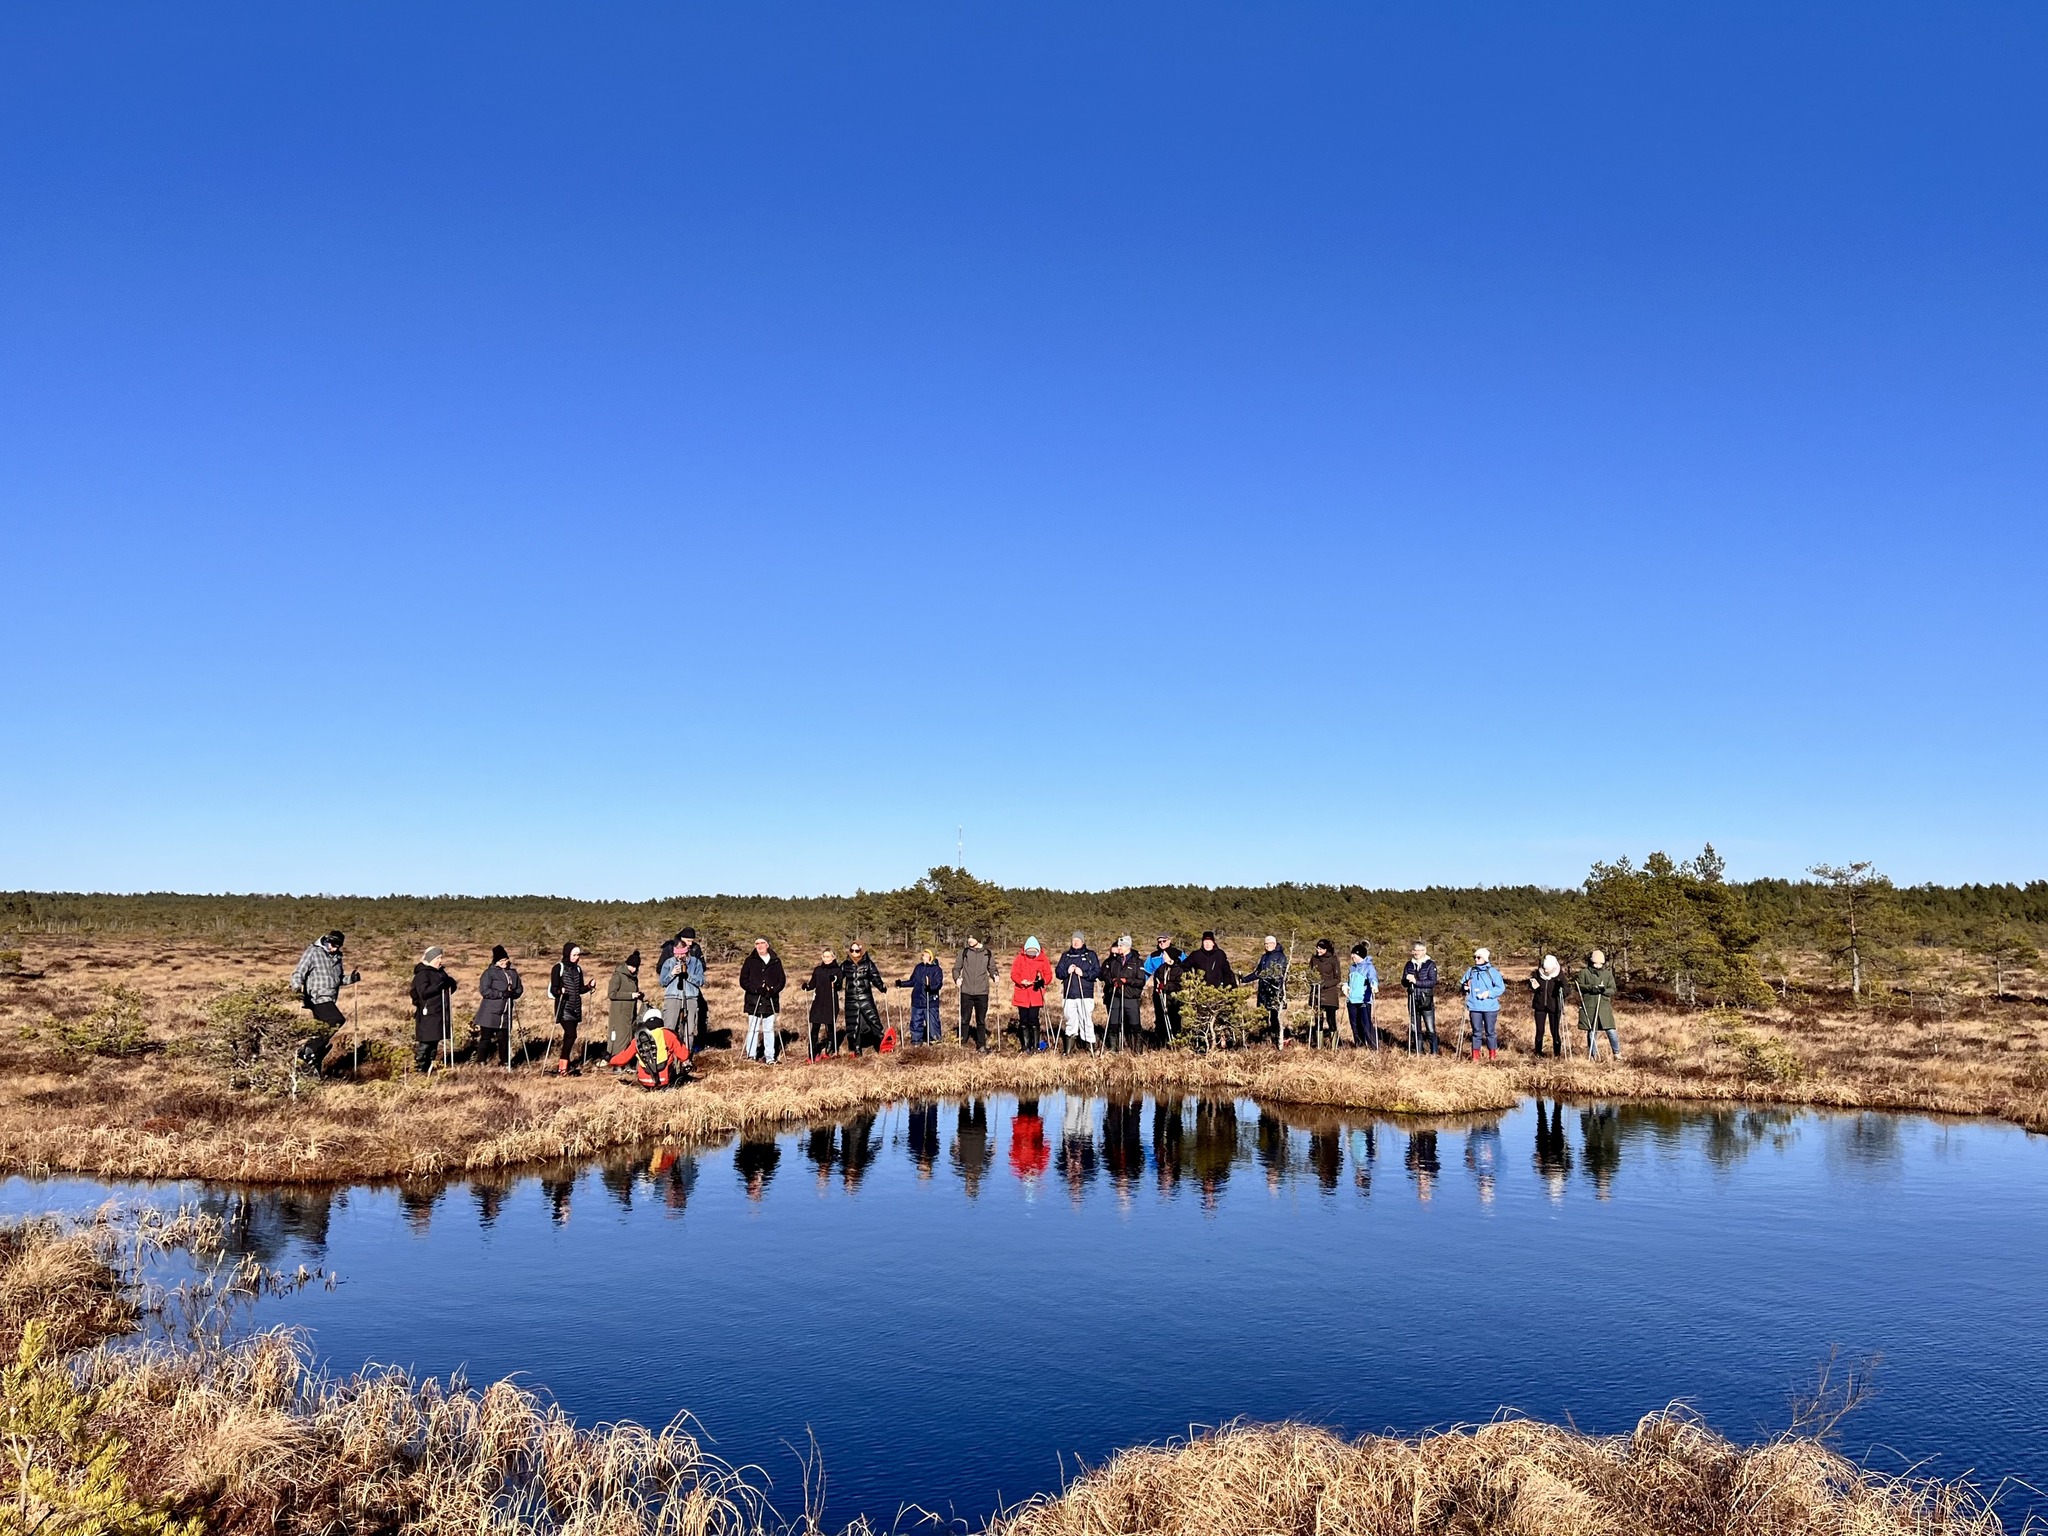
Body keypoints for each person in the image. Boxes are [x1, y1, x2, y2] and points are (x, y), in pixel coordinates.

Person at [288, 930, 360, 1076]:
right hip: (316, 997)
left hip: (330, 998)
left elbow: (337, 979)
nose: (334, 948)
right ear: (327, 940)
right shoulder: (313, 952)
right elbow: (299, 972)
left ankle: (313, 1066)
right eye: (332, 944)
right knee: (336, 1019)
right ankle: (308, 1049)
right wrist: (296, 989)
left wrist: (351, 979)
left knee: (321, 1030)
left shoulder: (337, 957)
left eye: (338, 946)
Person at [609, 1006, 690, 1090]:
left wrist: (611, 1060)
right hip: (664, 1080)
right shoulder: (668, 1034)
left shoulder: (638, 1038)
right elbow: (684, 1055)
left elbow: (623, 1058)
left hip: (644, 1081)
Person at [549, 942, 596, 1076]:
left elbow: (580, 989)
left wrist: (588, 986)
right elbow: (553, 989)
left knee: (569, 1036)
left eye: (578, 955)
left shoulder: (578, 969)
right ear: (567, 954)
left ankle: (563, 1066)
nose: (577, 957)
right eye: (574, 955)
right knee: (571, 1034)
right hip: (564, 1007)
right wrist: (559, 991)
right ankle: (562, 1067)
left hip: (575, 1007)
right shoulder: (558, 968)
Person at [410, 945, 459, 1073]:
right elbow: (424, 992)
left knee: (434, 1043)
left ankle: (429, 1068)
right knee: (425, 1043)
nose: (440, 961)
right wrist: (438, 986)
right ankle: (419, 1068)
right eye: (438, 958)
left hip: (439, 1013)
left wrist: (451, 984)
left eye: (441, 958)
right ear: (431, 959)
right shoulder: (422, 974)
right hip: (428, 1014)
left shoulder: (440, 972)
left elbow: (448, 990)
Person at [739, 937, 786, 1063]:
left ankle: (770, 1057)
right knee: (753, 1028)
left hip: (770, 999)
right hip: (753, 999)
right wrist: (755, 989)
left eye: (762, 943)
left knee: (769, 1029)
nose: (759, 946)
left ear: (768, 945)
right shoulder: (749, 961)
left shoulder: (776, 961)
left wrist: (773, 990)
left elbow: (781, 980)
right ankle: (751, 1056)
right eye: (757, 944)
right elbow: (743, 981)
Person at [475, 945, 523, 1067]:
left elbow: (519, 988)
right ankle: (481, 1060)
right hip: (489, 1011)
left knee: (504, 1038)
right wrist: (501, 994)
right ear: (496, 961)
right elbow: (485, 991)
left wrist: (514, 994)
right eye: (500, 961)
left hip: (506, 1011)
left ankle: (505, 1061)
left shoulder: (513, 973)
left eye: (505, 960)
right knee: (486, 1037)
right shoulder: (488, 973)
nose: (503, 963)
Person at [1056, 931, 1101, 1053]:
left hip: (1085, 995)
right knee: (1070, 1022)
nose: (1075, 942)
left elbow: (1097, 972)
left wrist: (1084, 974)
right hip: (1069, 995)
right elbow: (1058, 973)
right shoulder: (1066, 956)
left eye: (1078, 940)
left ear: (1083, 942)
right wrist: (1067, 971)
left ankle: (1090, 1048)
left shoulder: (1090, 955)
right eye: (1073, 940)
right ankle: (1068, 1051)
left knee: (1086, 1021)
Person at [839, 941, 887, 1054]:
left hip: (865, 997)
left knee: (874, 1021)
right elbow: (839, 980)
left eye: (857, 950)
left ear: (862, 951)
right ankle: (856, 1049)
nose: (854, 953)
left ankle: (881, 1045)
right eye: (852, 950)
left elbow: (875, 977)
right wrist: (834, 983)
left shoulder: (868, 964)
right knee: (853, 1025)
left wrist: (881, 987)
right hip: (851, 999)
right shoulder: (845, 965)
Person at [1100, 936, 1147, 1051]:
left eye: (1121, 946)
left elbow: (1141, 981)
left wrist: (1127, 981)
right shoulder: (1113, 961)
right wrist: (1113, 981)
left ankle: (1137, 1050)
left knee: (1134, 1024)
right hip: (1115, 995)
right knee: (1113, 1023)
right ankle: (1113, 1049)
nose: (1119, 948)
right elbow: (1105, 975)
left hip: (1131, 997)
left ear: (1127, 946)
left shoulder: (1137, 962)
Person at [1460, 946, 1505, 1061]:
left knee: (1490, 1032)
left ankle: (1492, 1056)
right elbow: (1462, 984)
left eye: (1478, 957)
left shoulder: (1492, 972)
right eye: (1474, 957)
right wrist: (1465, 987)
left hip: (1490, 1007)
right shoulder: (1471, 971)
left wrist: (1489, 993)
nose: (1476, 959)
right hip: (1474, 1007)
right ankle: (1475, 1057)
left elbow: (1501, 988)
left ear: (1485, 958)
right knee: (1476, 1033)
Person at [952, 936, 997, 1050]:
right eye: (968, 938)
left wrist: (995, 975)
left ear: (978, 938)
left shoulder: (987, 953)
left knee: (981, 1020)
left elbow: (992, 968)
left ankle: (981, 1045)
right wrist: (957, 978)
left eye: (972, 938)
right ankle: (962, 1043)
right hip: (966, 991)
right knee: (965, 1019)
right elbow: (956, 968)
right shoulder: (964, 952)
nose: (969, 940)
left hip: (982, 992)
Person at [1241, 935, 1288, 1041]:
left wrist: (1272, 982)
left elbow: (1279, 974)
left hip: (1275, 991)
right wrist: (1244, 979)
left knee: (1275, 1016)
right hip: (1263, 991)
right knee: (1262, 1016)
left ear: (1275, 944)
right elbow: (1258, 973)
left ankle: (1276, 1039)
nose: (1268, 946)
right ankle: (1263, 1040)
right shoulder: (1264, 957)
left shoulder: (1281, 957)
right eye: (1266, 944)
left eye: (1270, 944)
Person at [1577, 950, 1620, 1061]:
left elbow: (1613, 989)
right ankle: (1593, 1055)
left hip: (1604, 1006)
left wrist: (1604, 990)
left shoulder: (1607, 974)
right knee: (1592, 1031)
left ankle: (1617, 1053)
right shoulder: (1584, 973)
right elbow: (1579, 986)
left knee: (1611, 1031)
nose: (1598, 966)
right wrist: (1592, 988)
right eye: (1595, 963)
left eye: (1600, 964)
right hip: (1590, 1005)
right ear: (1591, 962)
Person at [1011, 937, 1052, 1051]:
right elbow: (1014, 974)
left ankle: (1035, 1046)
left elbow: (1048, 974)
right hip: (1022, 993)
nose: (1031, 954)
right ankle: (1025, 1046)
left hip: (1036, 994)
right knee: (1023, 1020)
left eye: (1034, 952)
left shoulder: (1043, 959)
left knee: (1033, 1019)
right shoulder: (1019, 959)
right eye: (1029, 952)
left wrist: (1042, 981)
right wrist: (1021, 981)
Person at [898, 949, 945, 1045]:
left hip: (930, 1001)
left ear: (931, 957)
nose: (923, 957)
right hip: (917, 1000)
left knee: (933, 1023)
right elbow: (913, 981)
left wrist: (930, 987)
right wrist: (901, 984)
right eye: (923, 955)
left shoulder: (937, 969)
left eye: (926, 956)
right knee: (916, 1022)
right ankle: (916, 1041)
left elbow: (938, 984)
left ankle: (935, 1041)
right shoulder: (918, 967)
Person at [801, 946, 839, 1057]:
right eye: (824, 956)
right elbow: (813, 984)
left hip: (830, 1001)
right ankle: (812, 1051)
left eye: (828, 956)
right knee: (815, 1027)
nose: (826, 959)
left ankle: (830, 1050)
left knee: (830, 1026)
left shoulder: (837, 970)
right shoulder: (818, 970)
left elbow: (839, 984)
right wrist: (807, 987)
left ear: (833, 957)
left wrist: (835, 981)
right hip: (818, 1002)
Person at [1528, 954, 1569, 1057]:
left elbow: (1567, 990)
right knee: (1540, 1030)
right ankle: (1538, 1052)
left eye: (1548, 968)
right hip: (1540, 1005)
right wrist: (1533, 986)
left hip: (1554, 1006)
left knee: (1554, 1030)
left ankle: (1557, 1053)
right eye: (1544, 968)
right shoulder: (1538, 973)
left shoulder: (1559, 976)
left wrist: (1562, 990)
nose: (1546, 970)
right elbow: (1533, 987)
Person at [1402, 942, 1439, 1055]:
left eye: (1419, 950)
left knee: (1430, 1028)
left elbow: (1432, 982)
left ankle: (1434, 1052)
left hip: (1426, 1000)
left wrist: (1416, 982)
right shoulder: (1409, 964)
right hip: (1412, 999)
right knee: (1415, 1027)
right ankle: (1419, 1051)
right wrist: (1406, 980)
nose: (1416, 952)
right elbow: (1403, 982)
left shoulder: (1430, 964)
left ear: (1424, 951)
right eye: (1415, 950)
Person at [607, 951, 644, 1062]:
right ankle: (617, 1060)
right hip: (619, 1013)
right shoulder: (618, 976)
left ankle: (627, 1060)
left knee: (629, 1036)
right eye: (631, 966)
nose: (633, 969)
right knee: (619, 1037)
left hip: (630, 1012)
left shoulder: (634, 978)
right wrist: (630, 995)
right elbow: (611, 994)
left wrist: (639, 995)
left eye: (636, 967)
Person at [1144, 935, 1182, 1044]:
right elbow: (1146, 972)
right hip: (1159, 993)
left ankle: (1176, 1040)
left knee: (1175, 1017)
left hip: (1174, 995)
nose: (1161, 943)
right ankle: (1161, 1041)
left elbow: (1184, 974)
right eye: (1159, 941)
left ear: (1169, 941)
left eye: (1164, 940)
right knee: (1160, 1017)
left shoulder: (1179, 954)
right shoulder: (1154, 956)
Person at [1307, 939, 1343, 1048]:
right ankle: (1319, 1046)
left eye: (1321, 948)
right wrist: (1313, 982)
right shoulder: (1314, 959)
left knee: (1331, 1019)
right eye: (1317, 948)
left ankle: (1333, 1047)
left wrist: (1325, 984)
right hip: (1316, 993)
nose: (1318, 950)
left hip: (1330, 994)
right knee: (1318, 1020)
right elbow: (1309, 974)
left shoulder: (1333, 959)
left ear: (1326, 949)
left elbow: (1337, 978)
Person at [1346, 942, 1379, 1049]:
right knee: (1355, 1025)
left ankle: (1372, 1047)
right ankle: (1359, 1046)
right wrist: (1345, 986)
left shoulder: (1369, 967)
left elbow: (1372, 978)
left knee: (1366, 1025)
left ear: (1360, 955)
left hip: (1364, 1000)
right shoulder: (1352, 968)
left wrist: (1374, 985)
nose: (1352, 957)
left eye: (1354, 955)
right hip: (1351, 1000)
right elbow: (1349, 981)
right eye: (1352, 954)